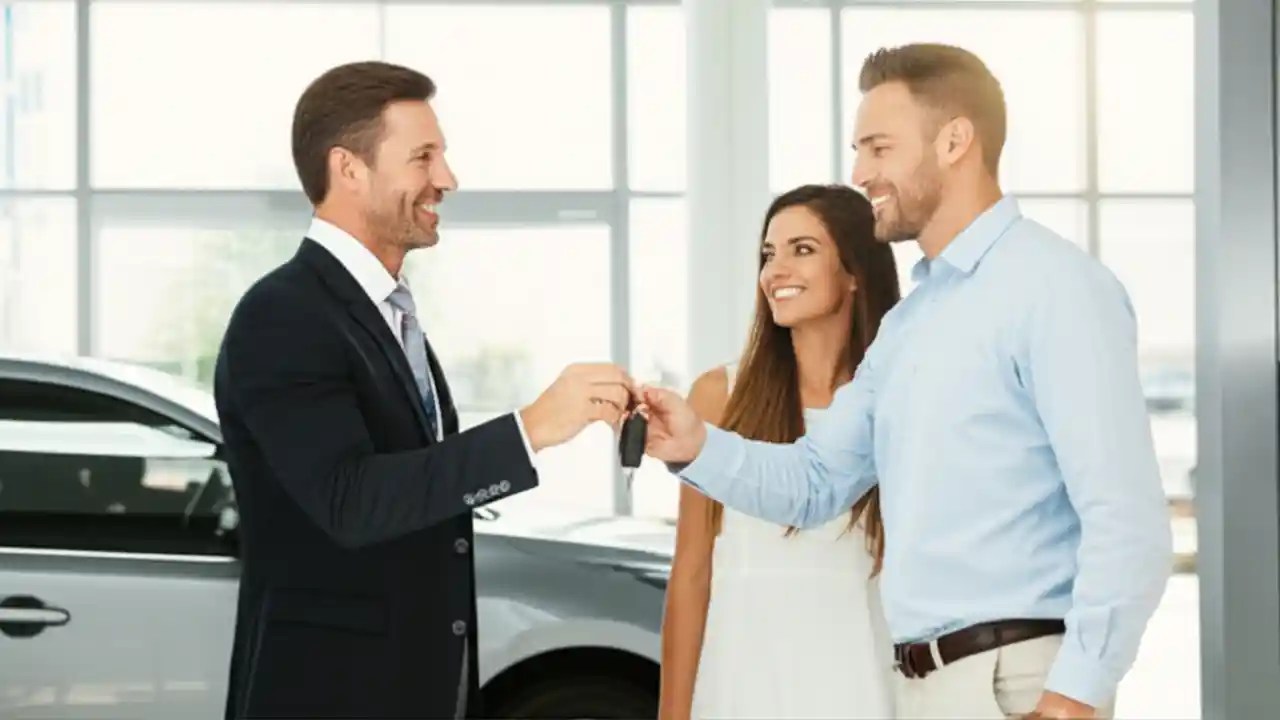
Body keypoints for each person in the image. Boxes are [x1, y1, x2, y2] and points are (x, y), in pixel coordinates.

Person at [639, 44, 1172, 720]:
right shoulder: (910, 325)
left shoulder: (1056, 288)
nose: (860, 172)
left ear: (955, 141)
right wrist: (694, 445)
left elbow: (1127, 519)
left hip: (1014, 683)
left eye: (878, 148)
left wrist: (1076, 694)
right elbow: (816, 483)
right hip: (920, 686)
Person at [213, 60, 633, 720]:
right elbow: (351, 500)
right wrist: (531, 429)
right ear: (348, 168)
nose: (447, 179)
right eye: (423, 157)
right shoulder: (283, 315)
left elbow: (418, 498)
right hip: (329, 696)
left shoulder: (384, 311)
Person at [658, 184, 901, 720]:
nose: (776, 271)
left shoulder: (896, 402)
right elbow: (692, 574)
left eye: (803, 249)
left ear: (855, 271)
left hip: (863, 689)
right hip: (742, 689)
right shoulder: (719, 395)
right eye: (769, 254)